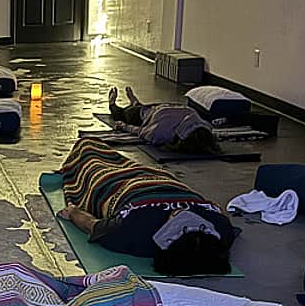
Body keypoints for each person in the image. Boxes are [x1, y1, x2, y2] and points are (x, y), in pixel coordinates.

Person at [57, 137, 238, 275]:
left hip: (115, 183)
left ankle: (87, 144)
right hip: (161, 178)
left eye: (177, 220)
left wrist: (73, 211)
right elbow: (219, 213)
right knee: (121, 160)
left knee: (88, 152)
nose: (180, 210)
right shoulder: (220, 229)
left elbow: (91, 224)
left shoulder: (130, 232)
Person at [108, 85, 218, 154]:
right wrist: (124, 126)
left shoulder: (198, 120)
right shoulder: (161, 133)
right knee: (122, 114)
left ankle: (135, 102)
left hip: (160, 108)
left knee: (140, 109)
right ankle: (113, 103)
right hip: (147, 114)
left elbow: (140, 131)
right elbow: (140, 131)